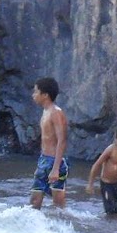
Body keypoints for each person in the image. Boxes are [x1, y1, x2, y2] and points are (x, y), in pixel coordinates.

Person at [29, 77, 70, 210]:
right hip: (44, 160)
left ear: (45, 95)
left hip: (54, 162)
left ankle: (65, 229)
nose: (33, 95)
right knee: (35, 201)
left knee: (58, 205)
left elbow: (62, 140)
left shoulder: (56, 113)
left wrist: (56, 168)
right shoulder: (45, 111)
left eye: (36, 92)